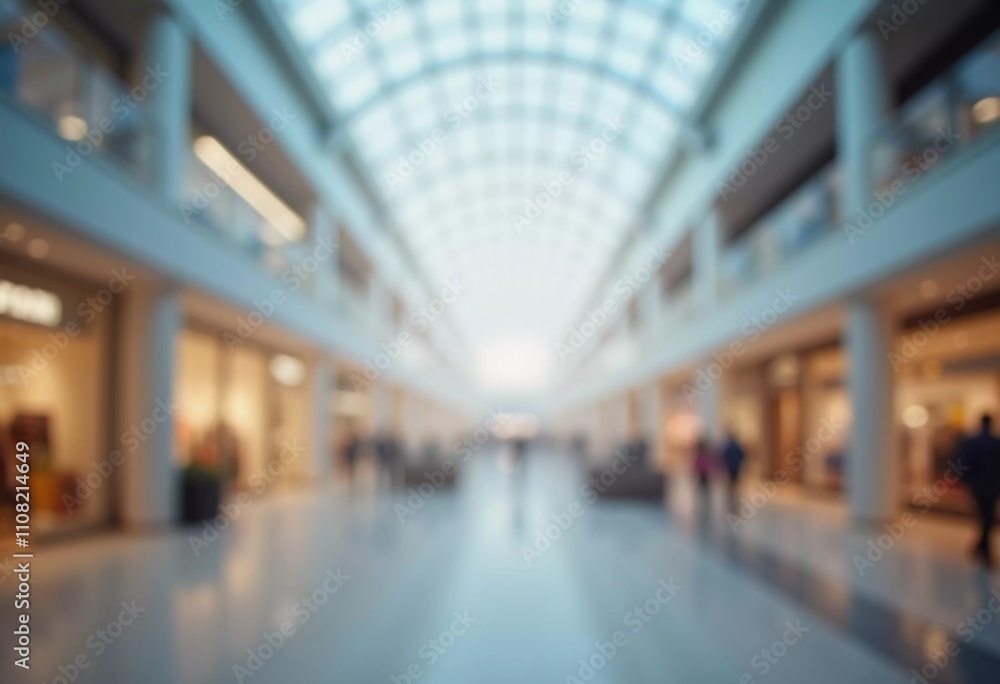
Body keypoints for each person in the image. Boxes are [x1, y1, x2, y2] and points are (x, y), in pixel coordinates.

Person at [960, 414, 1000, 567]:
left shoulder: (971, 442)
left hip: (977, 486)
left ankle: (980, 548)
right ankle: (983, 550)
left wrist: (966, 481)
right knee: (987, 518)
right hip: (993, 487)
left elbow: (963, 463)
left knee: (985, 518)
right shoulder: (996, 442)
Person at [721, 432, 746, 499]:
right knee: (735, 482)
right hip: (736, 466)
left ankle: (732, 494)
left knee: (731, 482)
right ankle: (734, 493)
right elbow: (742, 455)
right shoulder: (737, 447)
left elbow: (724, 457)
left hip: (730, 467)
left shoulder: (728, 447)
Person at [693, 437, 716, 505]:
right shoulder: (702, 455)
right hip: (703, 473)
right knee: (704, 487)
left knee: (703, 487)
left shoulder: (702, 455)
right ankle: (704, 498)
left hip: (703, 473)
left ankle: (704, 498)